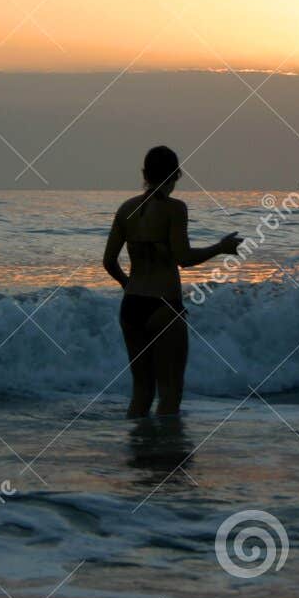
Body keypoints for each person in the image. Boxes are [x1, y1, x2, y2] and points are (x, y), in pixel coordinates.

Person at [103, 146, 242, 417]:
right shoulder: (174, 209)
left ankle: (139, 452)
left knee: (141, 391)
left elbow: (109, 262)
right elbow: (184, 258)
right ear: (177, 174)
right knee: (170, 392)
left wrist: (126, 284)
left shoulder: (126, 209)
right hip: (164, 306)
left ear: (144, 174)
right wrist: (220, 248)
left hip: (131, 306)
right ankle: (166, 456)